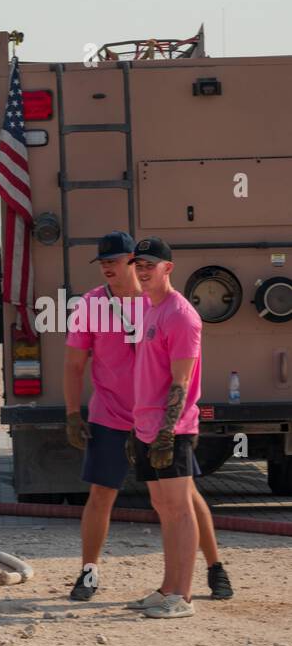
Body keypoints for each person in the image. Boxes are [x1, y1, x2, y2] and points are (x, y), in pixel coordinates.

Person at [63, 233, 233, 604]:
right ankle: (89, 572)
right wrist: (73, 413)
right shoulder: (92, 305)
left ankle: (214, 568)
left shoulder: (158, 302)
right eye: (102, 262)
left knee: (185, 497)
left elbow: (181, 371)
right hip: (112, 414)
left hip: (159, 420)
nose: (109, 267)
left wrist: (171, 427)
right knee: (102, 492)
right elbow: (74, 364)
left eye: (117, 260)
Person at [126, 238, 208, 618]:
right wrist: (138, 427)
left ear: (168, 268)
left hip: (170, 429)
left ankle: (184, 597)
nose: (143, 271)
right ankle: (167, 588)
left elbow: (181, 382)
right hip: (145, 426)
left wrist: (165, 433)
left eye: (150, 265)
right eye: (139, 265)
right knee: (163, 508)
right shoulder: (148, 308)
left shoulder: (181, 315)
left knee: (179, 509)